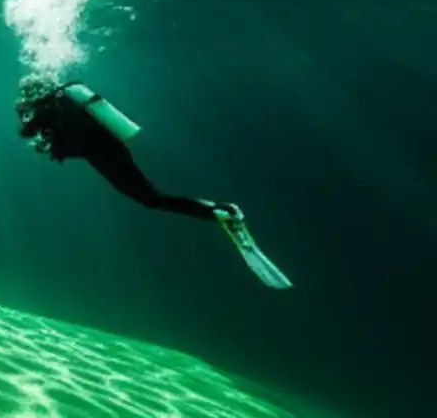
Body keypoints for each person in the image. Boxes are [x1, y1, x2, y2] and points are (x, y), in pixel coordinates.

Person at [15, 77, 291, 289]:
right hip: (111, 149)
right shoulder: (66, 101)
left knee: (150, 198)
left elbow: (50, 137)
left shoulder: (52, 108)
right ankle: (216, 211)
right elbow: (66, 136)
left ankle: (220, 211)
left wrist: (49, 145)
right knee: (151, 197)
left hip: (106, 154)